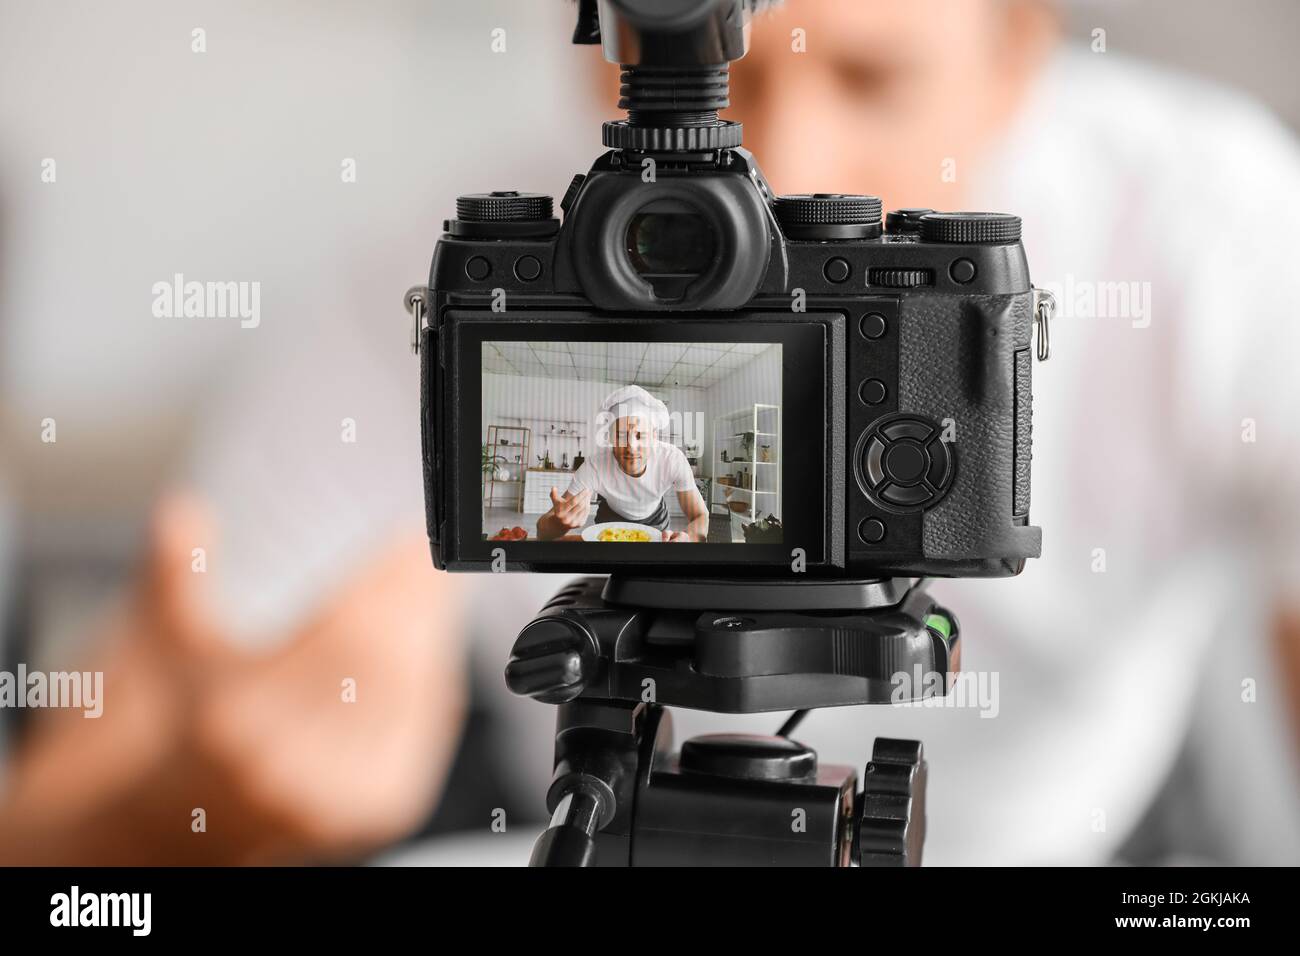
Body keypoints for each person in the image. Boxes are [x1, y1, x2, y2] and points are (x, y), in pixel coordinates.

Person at [537, 385, 708, 542]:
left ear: (654, 437)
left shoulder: (672, 459)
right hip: (609, 523)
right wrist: (560, 523)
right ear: (610, 437)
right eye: (620, 435)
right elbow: (543, 533)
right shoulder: (595, 467)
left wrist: (689, 538)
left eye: (640, 435)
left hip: (656, 522)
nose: (631, 447)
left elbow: (700, 515)